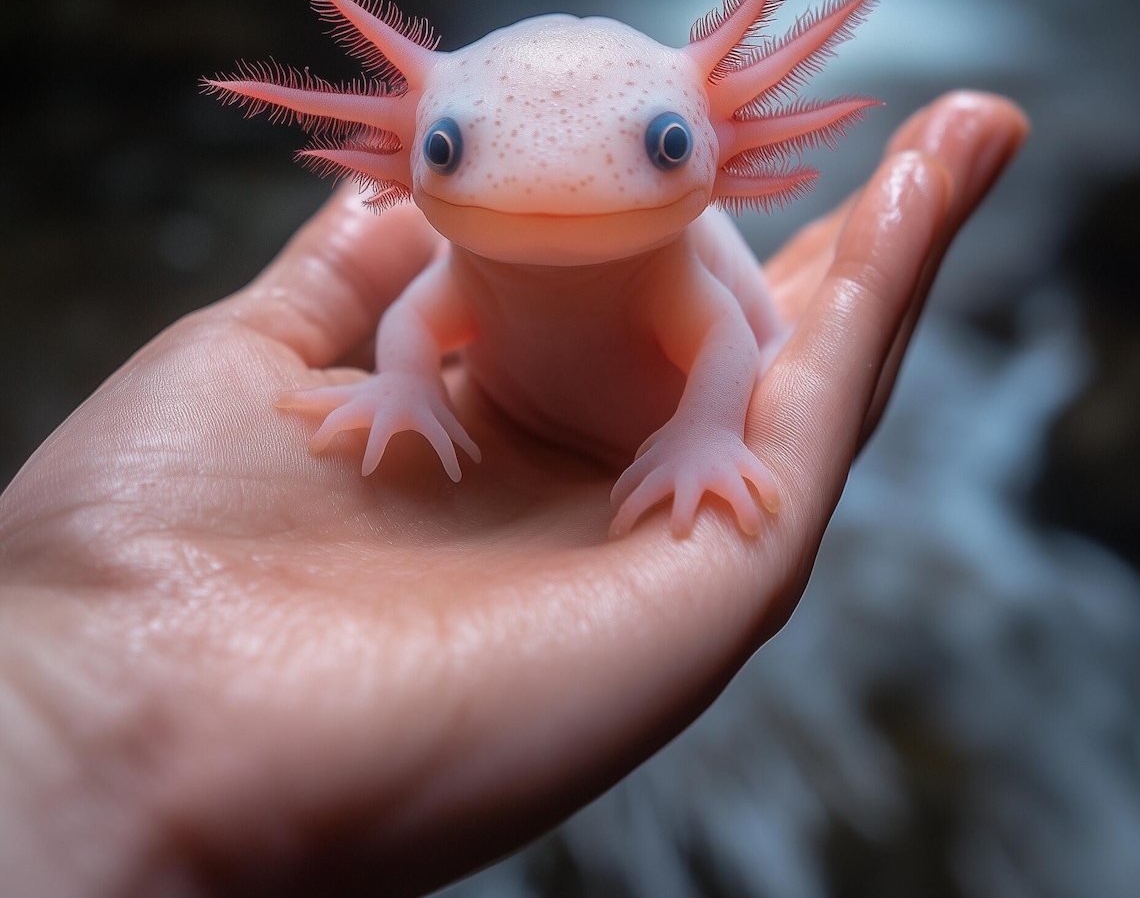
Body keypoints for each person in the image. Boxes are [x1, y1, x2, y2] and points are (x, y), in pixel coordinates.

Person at [0, 91, 1026, 896]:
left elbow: (726, 342)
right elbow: (413, 323)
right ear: (401, 148)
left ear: (726, 141)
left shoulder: (673, 261)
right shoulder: (465, 255)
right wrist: (404, 385)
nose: (555, 189)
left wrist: (711, 430)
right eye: (453, 148)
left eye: (662, 145)